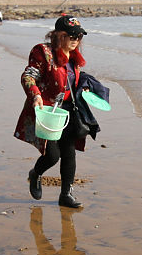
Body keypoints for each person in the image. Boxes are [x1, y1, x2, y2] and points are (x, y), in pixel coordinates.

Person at [14, 14, 93, 209]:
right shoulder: (43, 52)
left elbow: (71, 82)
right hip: (47, 111)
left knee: (69, 154)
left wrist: (85, 89)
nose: (75, 40)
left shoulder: (74, 58)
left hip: (67, 113)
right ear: (59, 35)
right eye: (71, 36)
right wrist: (35, 95)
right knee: (52, 155)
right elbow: (28, 76)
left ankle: (66, 194)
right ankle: (36, 174)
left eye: (78, 36)